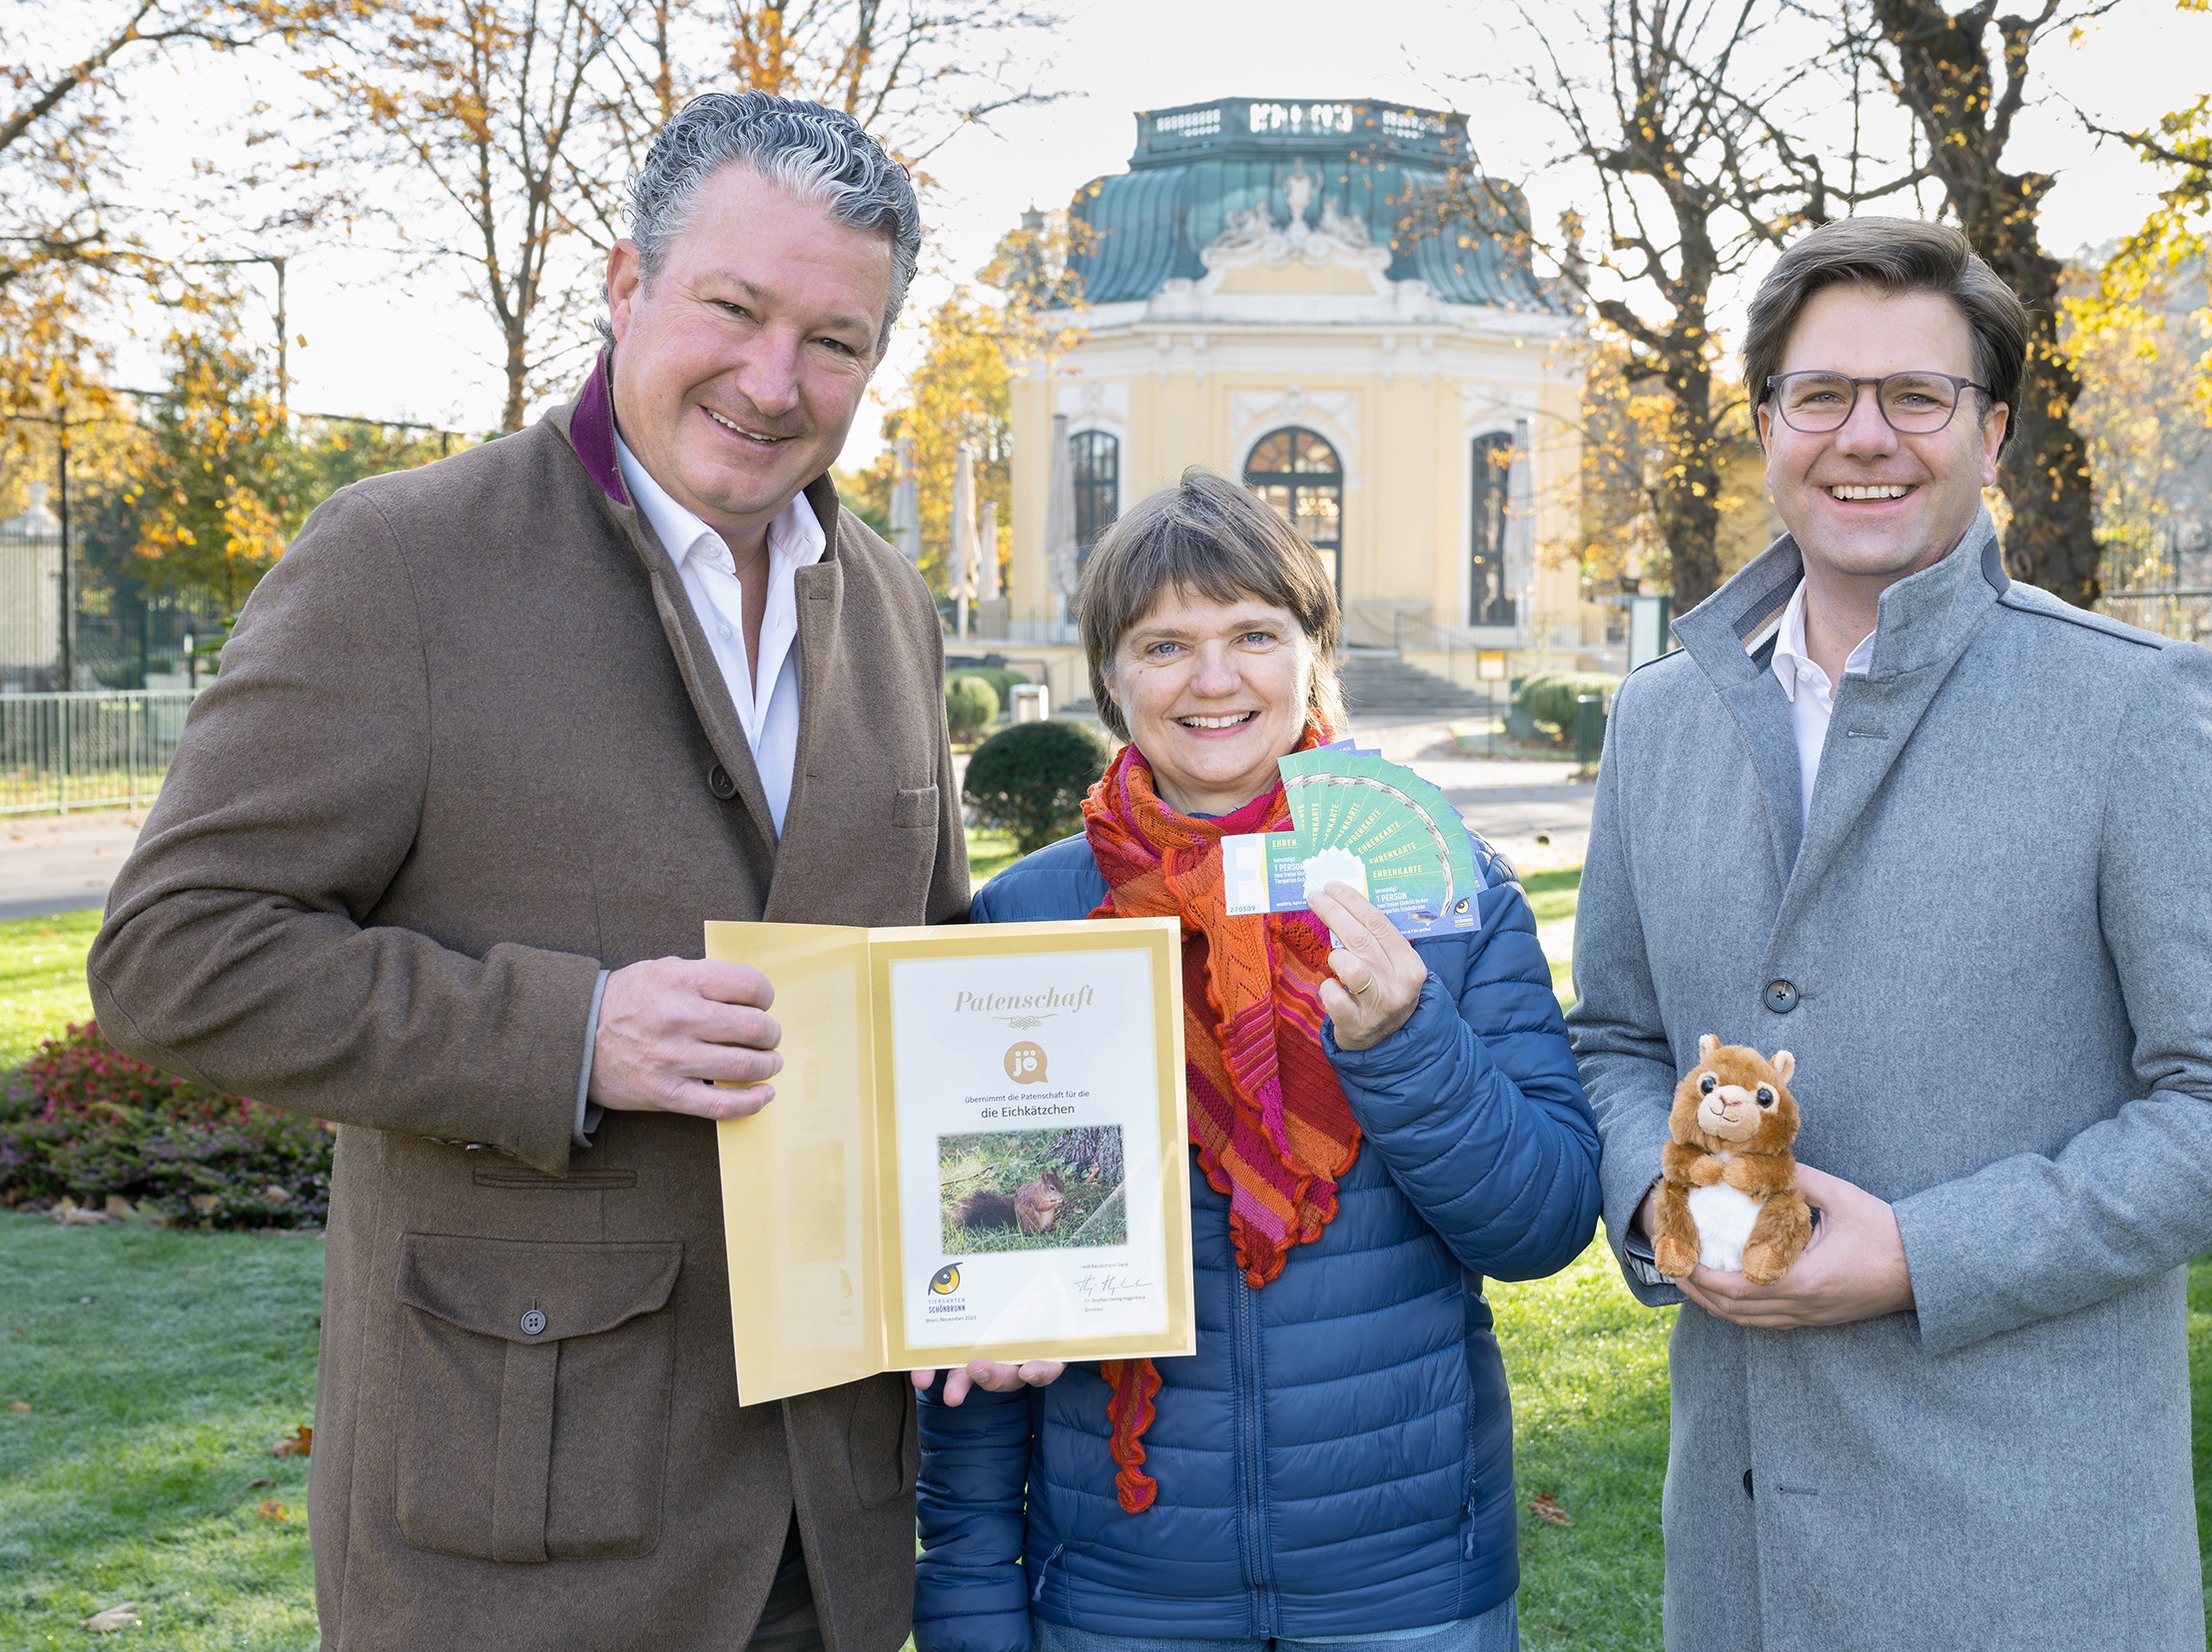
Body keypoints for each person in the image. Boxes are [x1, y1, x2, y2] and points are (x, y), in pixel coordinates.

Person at [87, 93, 963, 1652]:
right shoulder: (399, 561)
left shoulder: (889, 602)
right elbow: (174, 953)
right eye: (735, 308)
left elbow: (928, 985)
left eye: (835, 340)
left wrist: (1008, 1260)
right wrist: (570, 1035)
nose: (776, 384)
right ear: (627, 287)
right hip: (521, 1536)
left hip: (829, 1530)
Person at [1568, 217, 2212, 1650]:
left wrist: (1926, 1251)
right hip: (1735, 1563)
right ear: (1766, 427)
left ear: (1991, 438)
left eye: (1917, 397)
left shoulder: (2132, 708)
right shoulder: (1659, 718)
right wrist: (1658, 1204)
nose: (1868, 438)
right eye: (1822, 396)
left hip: (2027, 1560)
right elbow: (1612, 1039)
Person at [910, 469, 1602, 1652]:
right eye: (1165, 643)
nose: (1214, 678)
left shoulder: (1440, 893)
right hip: (1122, 1593)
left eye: (1253, 635)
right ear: (1111, 677)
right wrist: (971, 1601)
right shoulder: (1027, 920)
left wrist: (1406, 1042)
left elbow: (1539, 1226)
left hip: (1405, 1589)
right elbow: (974, 1293)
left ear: (1312, 651)